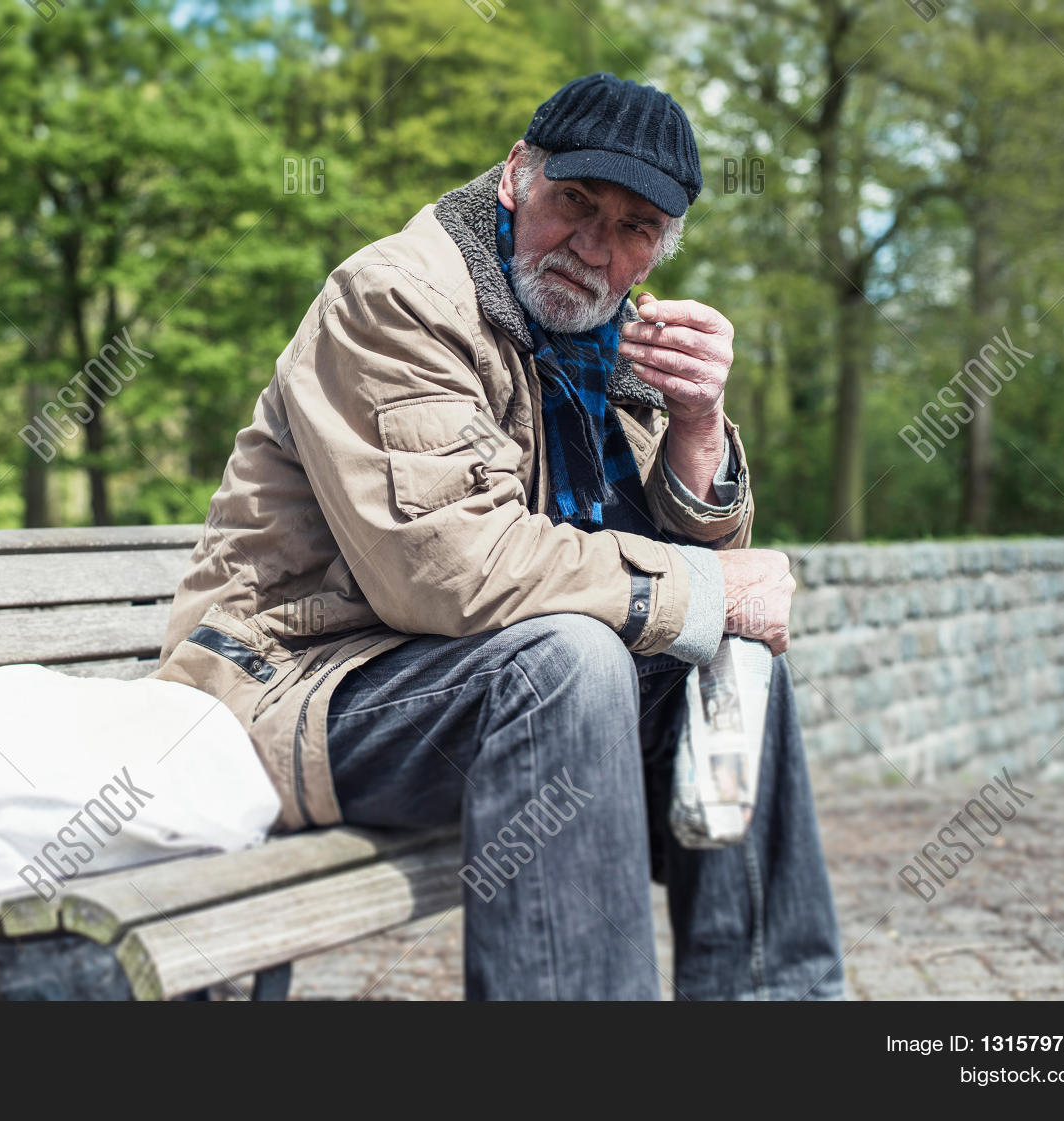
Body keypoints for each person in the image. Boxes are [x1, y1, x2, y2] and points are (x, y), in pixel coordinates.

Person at [154, 72, 844, 1000]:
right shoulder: (396, 299)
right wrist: (709, 592)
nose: (592, 247)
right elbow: (451, 570)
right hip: (292, 686)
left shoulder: (617, 338)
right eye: (576, 201)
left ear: (658, 251)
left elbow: (665, 567)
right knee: (572, 661)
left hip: (468, 683)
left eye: (633, 227)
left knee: (733, 666)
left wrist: (698, 425)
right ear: (519, 174)